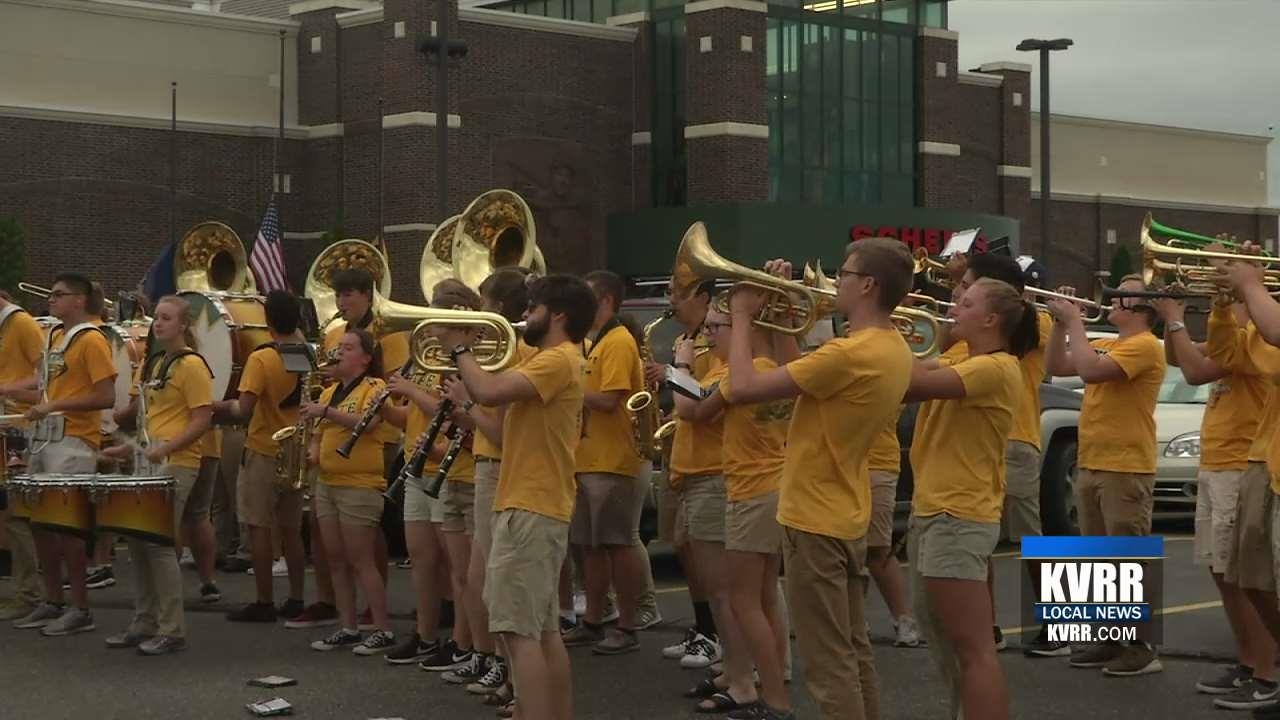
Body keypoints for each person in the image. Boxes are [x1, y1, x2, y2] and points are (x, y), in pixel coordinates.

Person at [724, 237, 916, 720]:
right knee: (852, 651)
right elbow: (800, 378)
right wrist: (785, 314)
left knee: (829, 665)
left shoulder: (848, 354)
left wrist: (742, 316)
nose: (835, 282)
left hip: (813, 518)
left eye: (844, 274)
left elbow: (743, 387)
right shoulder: (889, 346)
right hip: (844, 511)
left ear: (868, 285)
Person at [439, 274, 595, 720]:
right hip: (533, 502)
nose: (525, 315)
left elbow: (487, 391)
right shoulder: (554, 360)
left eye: (533, 307)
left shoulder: (558, 359)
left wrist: (459, 348)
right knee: (541, 632)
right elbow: (503, 425)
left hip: (531, 505)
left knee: (517, 633)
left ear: (558, 315)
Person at [908, 277, 1038, 720]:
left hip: (958, 515)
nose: (952, 309)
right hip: (937, 511)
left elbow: (908, 383)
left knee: (974, 649)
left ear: (990, 319)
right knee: (948, 645)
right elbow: (903, 376)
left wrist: (879, 325)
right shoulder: (963, 358)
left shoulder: (996, 366)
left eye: (964, 304)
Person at [1151, 294, 1277, 710]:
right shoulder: (1236, 339)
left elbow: (1193, 371)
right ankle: (1248, 662)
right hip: (1217, 461)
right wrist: (1174, 321)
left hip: (1240, 463)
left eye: (1235, 300)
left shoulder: (1256, 342)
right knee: (1223, 573)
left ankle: (1265, 671)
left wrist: (1175, 319)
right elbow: (1177, 355)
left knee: (1244, 577)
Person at [674, 304, 792, 716]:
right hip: (764, 487)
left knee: (740, 599)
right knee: (761, 597)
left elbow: (692, 411)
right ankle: (767, 685)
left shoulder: (741, 373)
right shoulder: (774, 368)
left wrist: (680, 366)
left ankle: (761, 692)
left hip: (749, 489)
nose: (708, 335)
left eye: (716, 326)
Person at [1045, 274, 1166, 676]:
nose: (1113, 297)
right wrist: (1061, 324)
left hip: (1125, 464)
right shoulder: (1112, 343)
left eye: (1124, 294)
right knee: (1098, 557)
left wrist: (1074, 321)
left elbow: (1092, 372)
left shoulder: (1145, 345)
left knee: (1128, 558)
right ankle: (1110, 638)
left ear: (1144, 308)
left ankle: (1142, 647)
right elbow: (1057, 365)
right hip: (1094, 460)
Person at [941, 252, 1058, 654]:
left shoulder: (1031, 321)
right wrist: (957, 297)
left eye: (969, 287)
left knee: (1031, 539)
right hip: (978, 442)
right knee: (980, 540)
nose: (961, 294)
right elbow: (941, 346)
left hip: (1016, 438)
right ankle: (986, 625)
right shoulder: (971, 328)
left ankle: (1059, 625)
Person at [442, 268, 538, 707]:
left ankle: (511, 672)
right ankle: (505, 669)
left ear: (497, 308)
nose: (478, 311)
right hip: (489, 467)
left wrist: (466, 405)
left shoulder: (510, 355)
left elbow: (500, 432)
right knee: (487, 582)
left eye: (482, 303)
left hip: (499, 469)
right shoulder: (502, 353)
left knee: (495, 583)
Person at [101, 295, 213, 655]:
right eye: (156, 318)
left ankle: (171, 628)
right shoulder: (153, 363)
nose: (158, 323)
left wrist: (165, 449)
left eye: (166, 318)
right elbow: (149, 422)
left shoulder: (192, 365)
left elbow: (202, 420)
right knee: (137, 542)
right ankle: (144, 621)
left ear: (183, 325)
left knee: (159, 544)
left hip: (178, 462)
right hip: (148, 461)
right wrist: (129, 449)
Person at [382, 280, 482, 677]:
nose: (429, 324)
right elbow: (410, 416)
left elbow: (448, 408)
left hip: (449, 465)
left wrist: (410, 389)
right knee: (422, 559)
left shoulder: (462, 359)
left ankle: (462, 641)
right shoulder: (424, 357)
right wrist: (387, 405)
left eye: (436, 315)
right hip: (416, 464)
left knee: (458, 567)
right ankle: (425, 635)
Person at [13, 273, 117, 636]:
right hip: (46, 439)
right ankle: (53, 600)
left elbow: (106, 396)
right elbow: (46, 389)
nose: (51, 299)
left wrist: (55, 405)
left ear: (79, 300)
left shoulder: (92, 340)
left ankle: (81, 608)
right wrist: (17, 394)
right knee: (40, 523)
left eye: (59, 295)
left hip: (75, 441)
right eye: (52, 294)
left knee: (69, 529)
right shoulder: (55, 336)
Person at [562, 270, 648, 655]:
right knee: (590, 547)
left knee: (617, 545)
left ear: (607, 301)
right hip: (587, 459)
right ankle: (594, 621)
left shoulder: (618, 340)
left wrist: (566, 387)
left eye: (586, 299)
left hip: (611, 460)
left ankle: (627, 626)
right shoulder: (597, 341)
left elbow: (611, 399)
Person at [219, 290, 310, 624]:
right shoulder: (305, 353)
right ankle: (297, 598)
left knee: (259, 526)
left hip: (263, 448)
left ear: (267, 321)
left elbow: (243, 409)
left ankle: (264, 600)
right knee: (291, 529)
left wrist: (212, 407)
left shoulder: (261, 358)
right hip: (295, 449)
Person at [304, 328, 397, 655]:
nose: (339, 352)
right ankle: (348, 626)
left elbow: (368, 423)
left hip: (360, 484)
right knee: (336, 559)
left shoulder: (375, 386)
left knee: (361, 559)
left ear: (365, 358)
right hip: (328, 481)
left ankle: (382, 628)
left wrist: (325, 412)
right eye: (338, 347)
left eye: (348, 348)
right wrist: (312, 452)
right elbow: (318, 434)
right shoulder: (329, 392)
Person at [647, 279, 723, 667]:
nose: (671, 300)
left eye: (678, 293)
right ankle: (703, 627)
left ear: (704, 298)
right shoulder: (684, 341)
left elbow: (702, 396)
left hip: (711, 462)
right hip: (683, 457)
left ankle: (716, 634)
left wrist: (673, 371)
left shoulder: (713, 344)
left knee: (704, 554)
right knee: (683, 546)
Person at [0, 291, 48, 622]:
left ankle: (28, 593)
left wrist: (7, 388)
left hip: (16, 428)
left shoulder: (21, 323)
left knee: (16, 516)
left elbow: (47, 377)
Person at [863, 408, 921, 648]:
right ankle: (854, 619)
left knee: (877, 547)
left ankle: (1049, 625)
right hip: (842, 463)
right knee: (849, 548)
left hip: (876, 463)